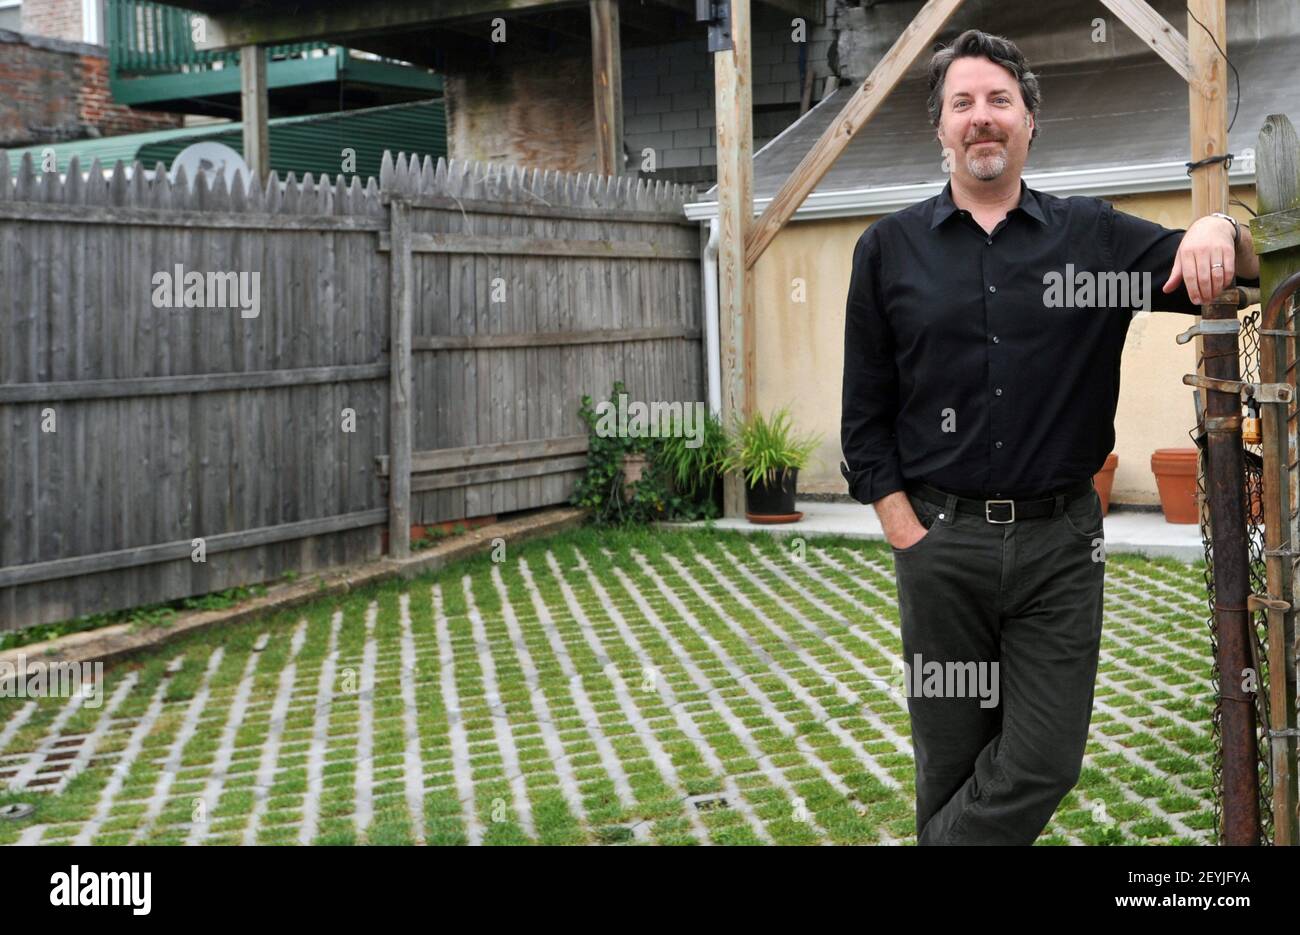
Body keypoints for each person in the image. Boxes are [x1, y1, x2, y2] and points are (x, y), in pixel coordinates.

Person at [839, 28, 1260, 845]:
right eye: (963, 103)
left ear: (1031, 120)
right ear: (941, 128)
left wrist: (1219, 227)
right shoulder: (886, 251)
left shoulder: (1090, 240)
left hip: (1060, 550)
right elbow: (865, 415)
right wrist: (905, 529)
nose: (981, 118)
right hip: (942, 546)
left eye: (1000, 100)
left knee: (1043, 758)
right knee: (952, 763)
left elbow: (1231, 273)